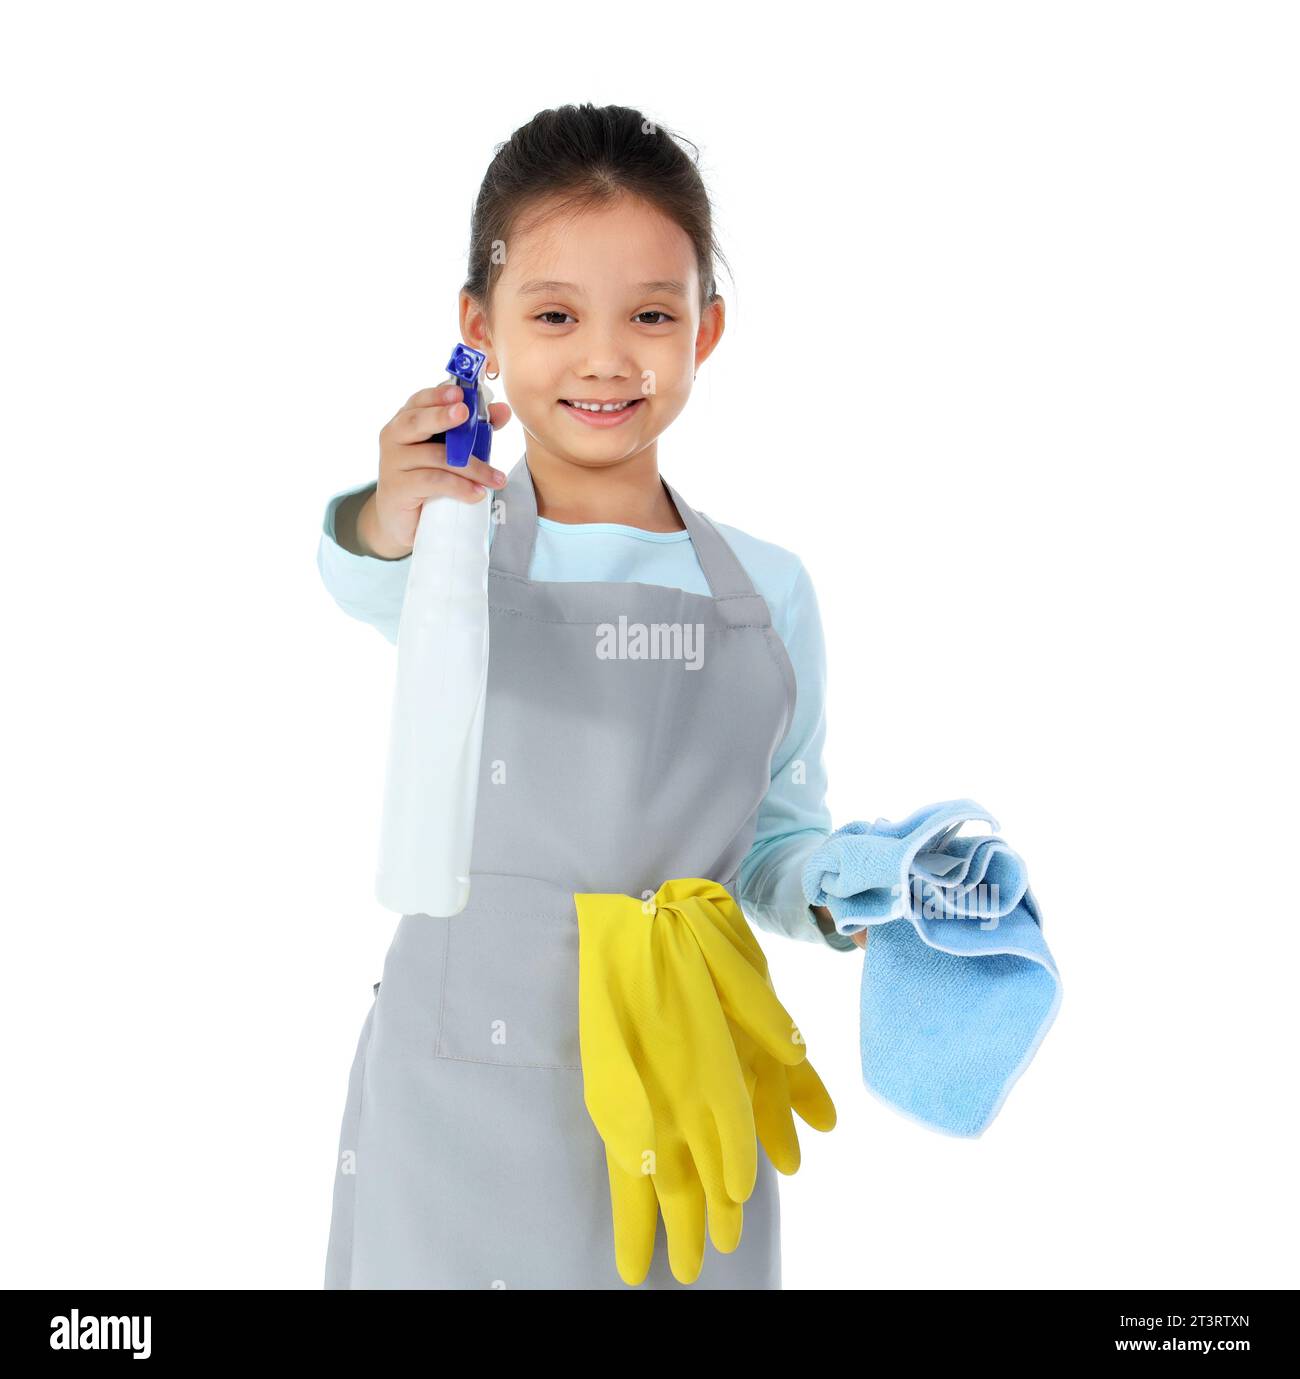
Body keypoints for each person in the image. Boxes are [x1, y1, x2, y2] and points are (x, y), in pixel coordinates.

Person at [319, 102, 863, 1291]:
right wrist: (390, 510)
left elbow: (775, 835)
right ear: (482, 327)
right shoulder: (450, 549)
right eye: (555, 314)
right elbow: (363, 569)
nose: (607, 357)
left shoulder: (769, 590)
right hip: (456, 1079)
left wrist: (844, 887)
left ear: (705, 333)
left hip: (684, 1081)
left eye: (652, 315)